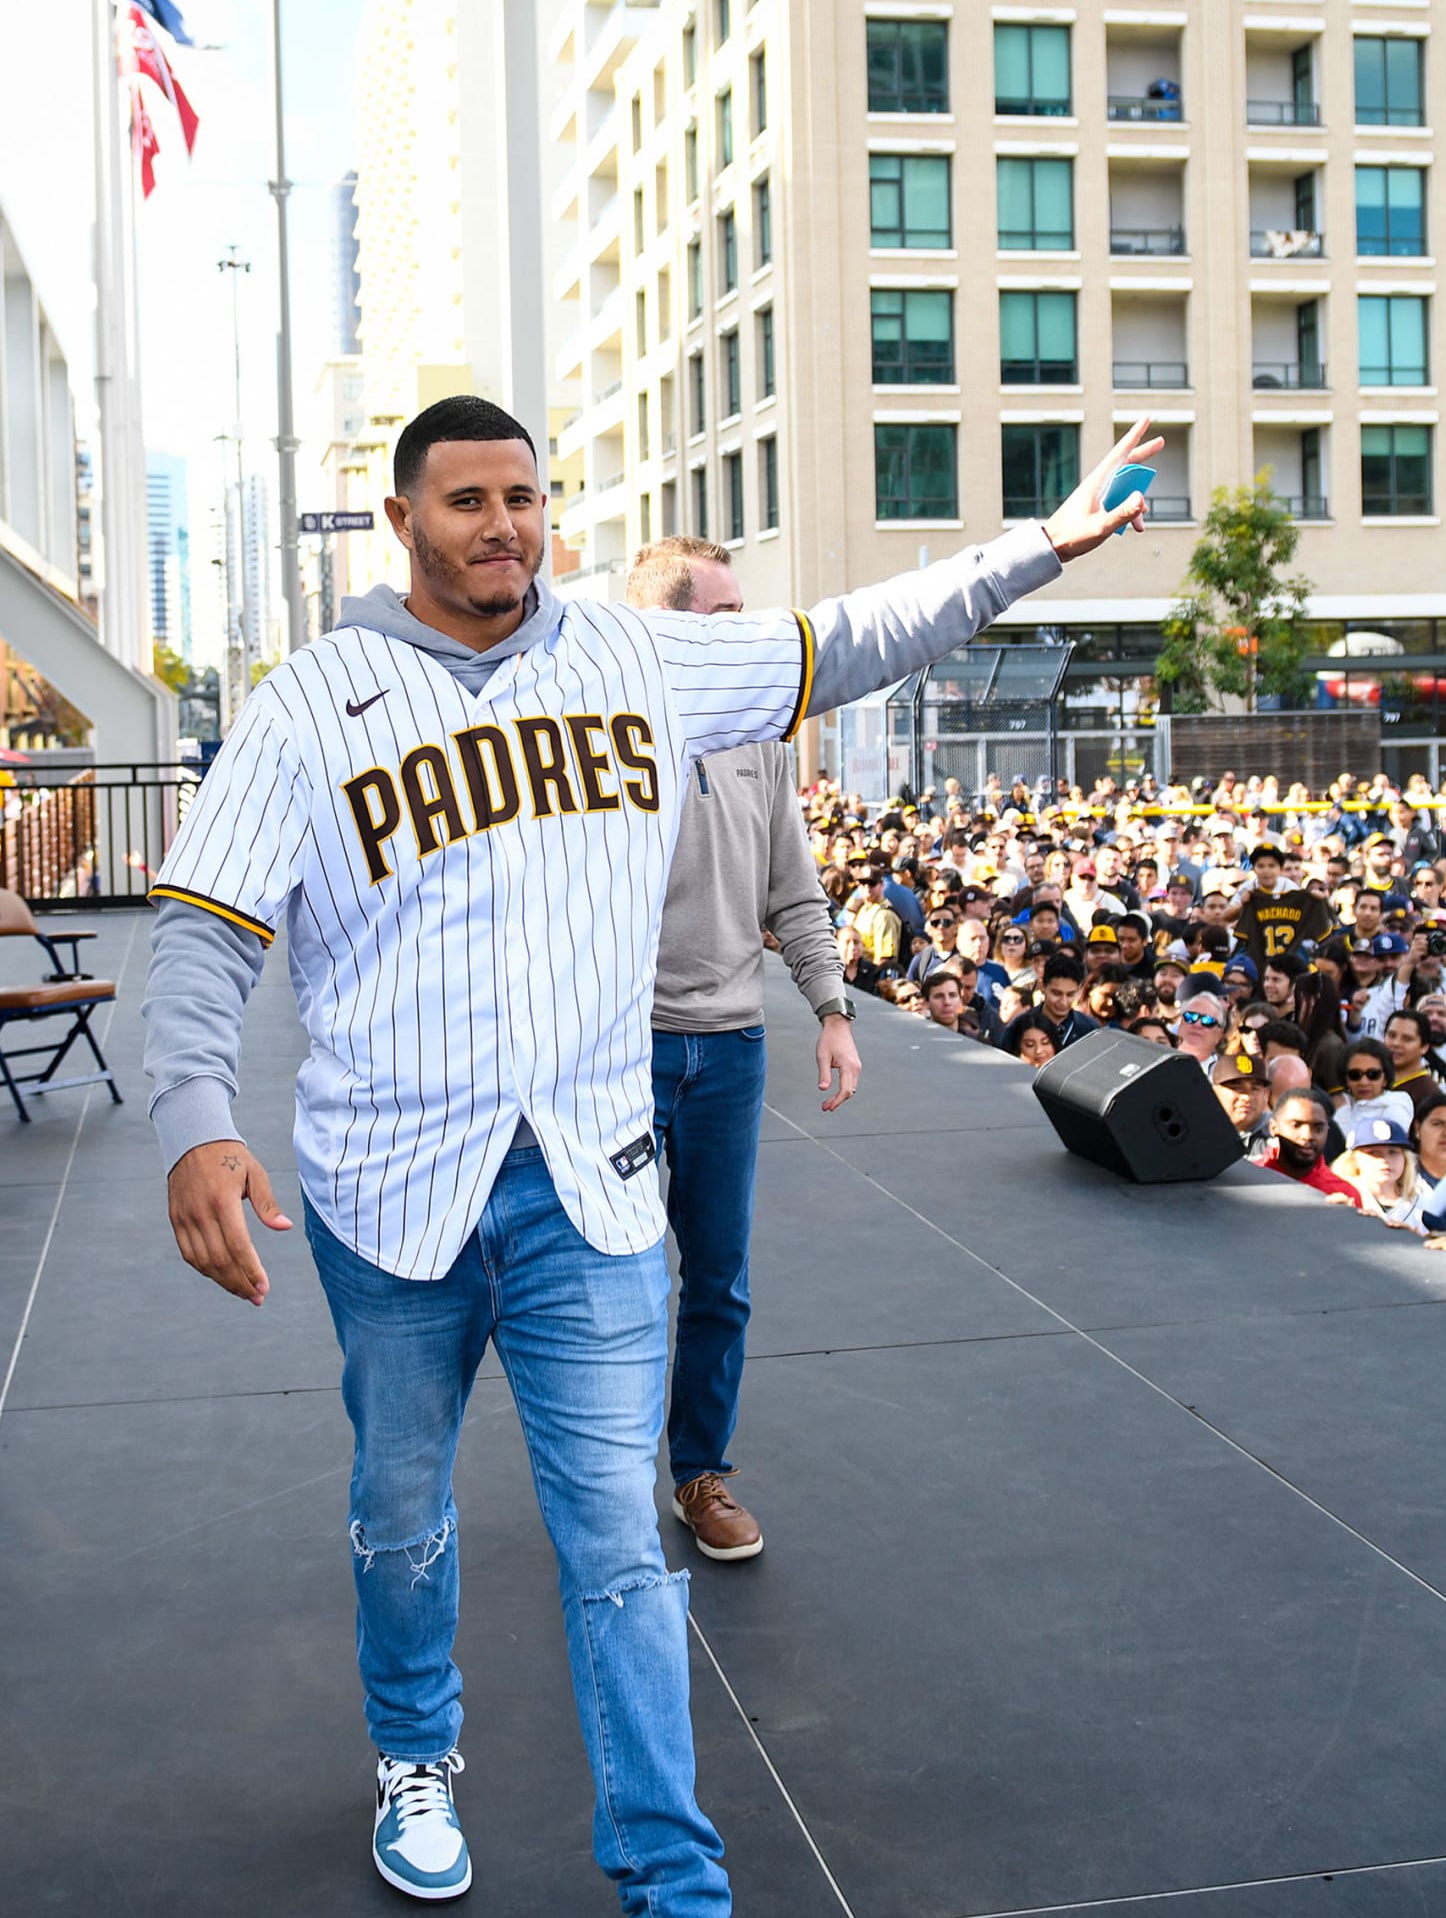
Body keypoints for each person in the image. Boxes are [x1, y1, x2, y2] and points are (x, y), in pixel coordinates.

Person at [143, 392, 1154, 1910]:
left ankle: (671, 1878)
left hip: (589, 1185)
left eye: (524, 498)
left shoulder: (639, 656)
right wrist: (196, 1123)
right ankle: (417, 1755)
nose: (503, 525)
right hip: (388, 1188)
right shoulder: (312, 699)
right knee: (402, 1512)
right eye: (468, 500)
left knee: (620, 1536)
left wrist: (1037, 549)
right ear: (406, 515)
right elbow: (206, 934)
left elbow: (845, 639)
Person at [625, 535, 861, 1565]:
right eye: (726, 620)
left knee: (718, 1277)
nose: (748, 636)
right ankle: (607, 1476)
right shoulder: (597, 739)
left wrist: (833, 1009)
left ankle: (699, 1473)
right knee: (611, 1284)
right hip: (614, 1054)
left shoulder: (763, 736)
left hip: (729, 1050)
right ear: (669, 630)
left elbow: (793, 892)